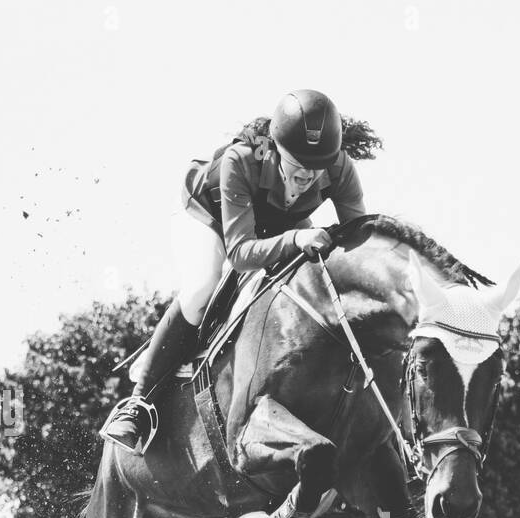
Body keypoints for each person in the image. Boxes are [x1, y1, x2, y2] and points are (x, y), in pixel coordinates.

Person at [101, 89, 376, 453]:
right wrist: (296, 238)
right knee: (202, 288)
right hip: (209, 218)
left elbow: (359, 242)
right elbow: (242, 252)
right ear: (275, 149)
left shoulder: (339, 168)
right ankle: (139, 404)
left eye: (318, 164)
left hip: (277, 223)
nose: (308, 174)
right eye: (297, 163)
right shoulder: (240, 160)